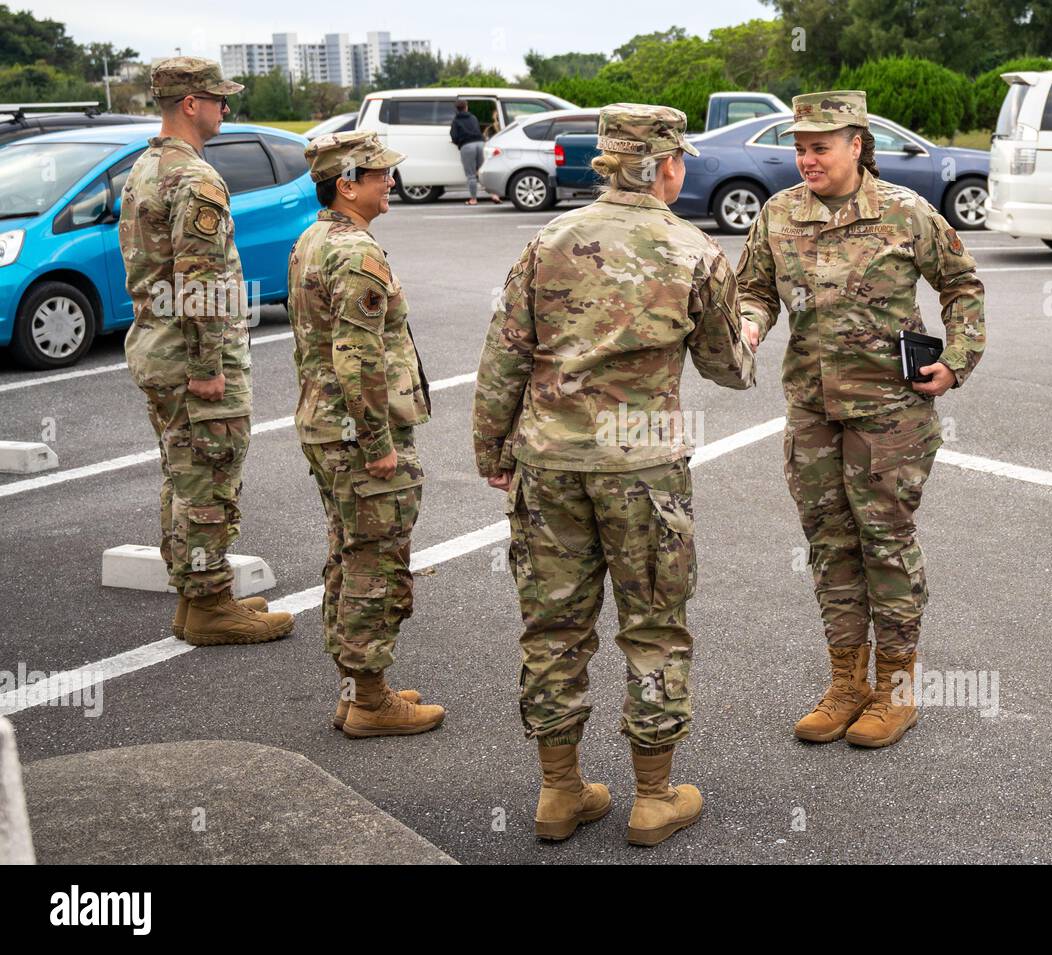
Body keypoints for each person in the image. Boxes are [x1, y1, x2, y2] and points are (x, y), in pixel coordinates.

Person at [473, 104, 755, 846]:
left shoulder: (548, 238)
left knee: (554, 627)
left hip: (551, 462)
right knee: (655, 625)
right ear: (665, 164)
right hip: (643, 468)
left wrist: (492, 450)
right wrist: (747, 329)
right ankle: (654, 796)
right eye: (680, 160)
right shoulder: (692, 247)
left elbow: (504, 353)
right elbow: (730, 369)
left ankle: (560, 791)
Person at [736, 90, 986, 748]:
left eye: (820, 146)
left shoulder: (904, 214)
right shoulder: (778, 214)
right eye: (799, 146)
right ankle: (847, 683)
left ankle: (896, 689)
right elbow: (755, 290)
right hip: (814, 413)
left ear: (856, 144)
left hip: (890, 416)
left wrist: (957, 360)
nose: (806, 158)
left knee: (886, 545)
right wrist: (751, 325)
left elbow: (961, 283)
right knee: (830, 545)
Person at [120, 56, 293, 646]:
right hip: (188, 358)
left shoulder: (144, 168)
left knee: (183, 476)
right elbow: (197, 280)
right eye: (219, 100)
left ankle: (197, 599)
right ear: (190, 104)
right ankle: (211, 605)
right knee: (208, 481)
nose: (226, 109)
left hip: (156, 347)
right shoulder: (195, 179)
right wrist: (207, 369)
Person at [287, 130, 445, 739]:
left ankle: (359, 690)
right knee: (375, 562)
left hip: (328, 428)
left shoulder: (315, 238)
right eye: (380, 174)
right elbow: (359, 359)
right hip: (358, 435)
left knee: (349, 553)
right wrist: (378, 445)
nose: (391, 182)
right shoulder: (355, 253)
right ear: (347, 184)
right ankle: (372, 701)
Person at [450, 100, 500, 205]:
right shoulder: (473, 117)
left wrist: (459, 142)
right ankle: (494, 195)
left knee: (471, 175)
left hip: (467, 146)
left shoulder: (455, 121)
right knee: (483, 172)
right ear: (466, 107)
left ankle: (473, 199)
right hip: (480, 144)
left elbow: (454, 137)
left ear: (456, 109)